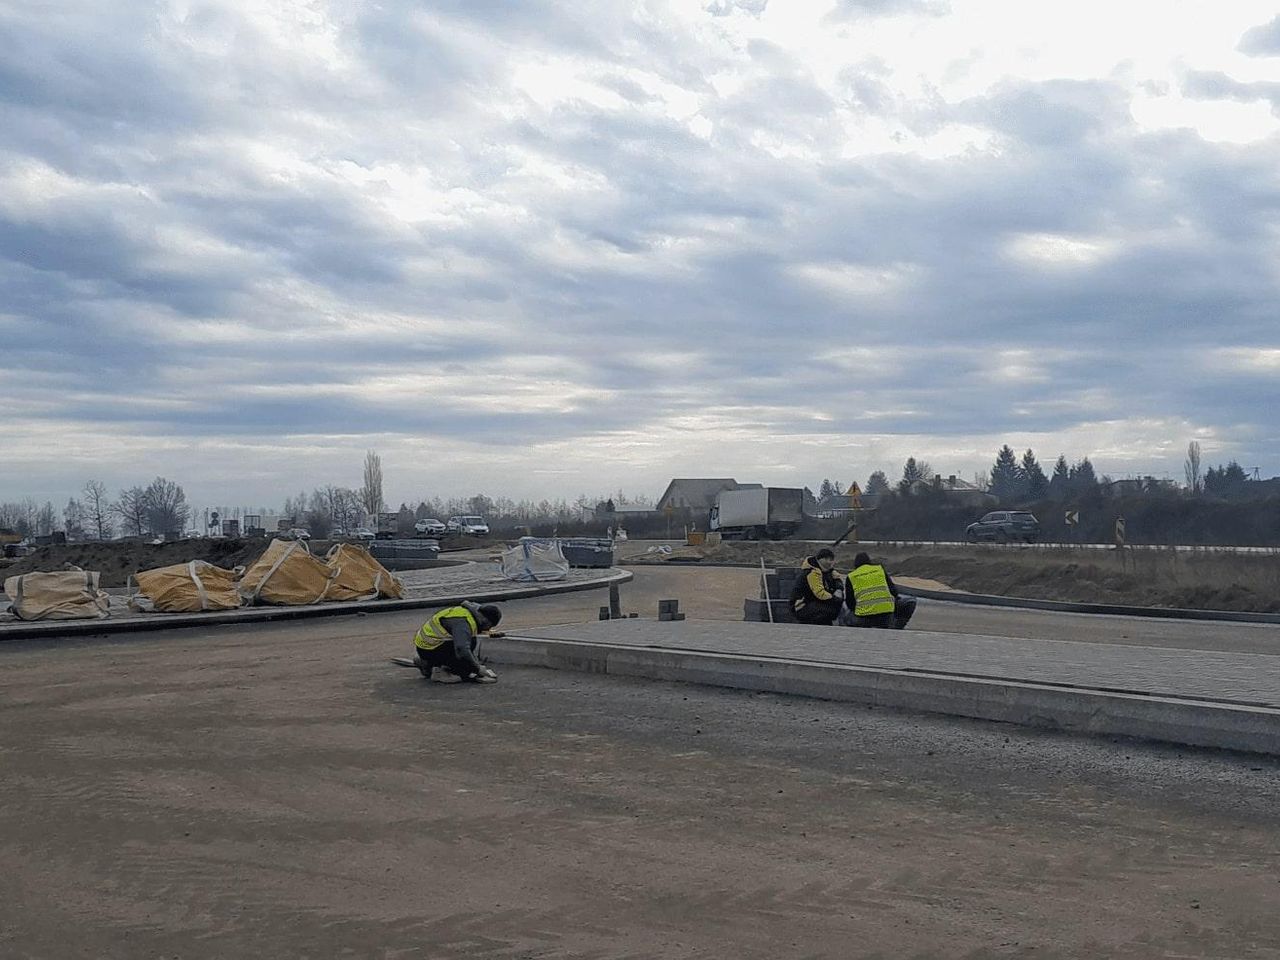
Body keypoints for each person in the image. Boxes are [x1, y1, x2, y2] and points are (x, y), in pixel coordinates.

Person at [412, 601, 504, 683]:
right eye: (490, 626)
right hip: (430, 650)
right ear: (485, 621)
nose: (488, 629)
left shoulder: (470, 612)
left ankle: (426, 664)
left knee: (470, 643)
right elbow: (461, 650)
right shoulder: (462, 623)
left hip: (428, 647)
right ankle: (441, 671)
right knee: (465, 667)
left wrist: (490, 633)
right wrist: (477, 669)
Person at [841, 552, 916, 629]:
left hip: (863, 619)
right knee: (911, 601)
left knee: (845, 615)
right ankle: (897, 626)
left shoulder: (851, 576)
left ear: (855, 565)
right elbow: (894, 591)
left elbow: (850, 602)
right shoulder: (879, 570)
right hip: (885, 618)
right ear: (869, 562)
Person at [790, 548, 844, 625]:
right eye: (826, 559)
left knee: (833, 608)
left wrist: (839, 588)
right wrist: (835, 599)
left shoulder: (828, 571)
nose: (829, 562)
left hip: (814, 602)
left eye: (831, 559)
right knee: (829, 609)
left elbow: (837, 577)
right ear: (819, 559)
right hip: (801, 605)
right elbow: (819, 593)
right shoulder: (812, 572)